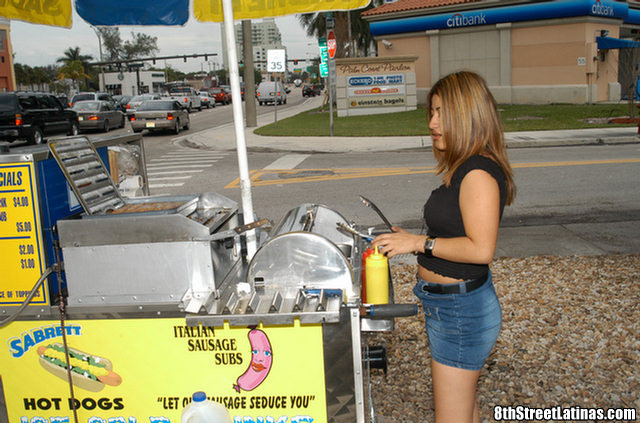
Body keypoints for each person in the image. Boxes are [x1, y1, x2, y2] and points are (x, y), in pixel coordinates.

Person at [372, 70, 516, 423]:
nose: (433, 122)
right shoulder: (464, 167)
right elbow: (456, 233)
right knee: (465, 409)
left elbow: (481, 250)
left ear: (467, 115)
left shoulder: (478, 173)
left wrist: (419, 242)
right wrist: (412, 240)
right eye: (431, 113)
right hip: (451, 306)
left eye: (441, 113)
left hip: (461, 313)